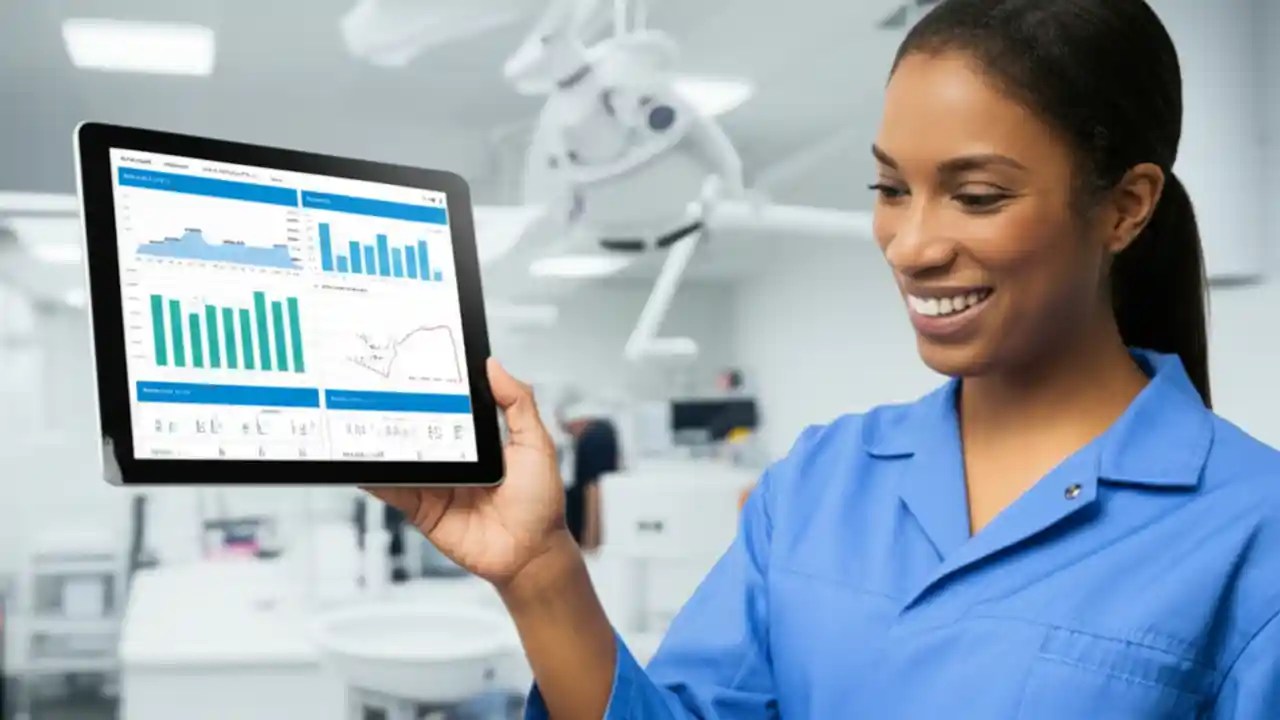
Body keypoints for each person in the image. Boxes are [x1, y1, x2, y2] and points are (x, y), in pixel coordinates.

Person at [367, 0, 1280, 716]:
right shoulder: (819, 483)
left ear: (1126, 207)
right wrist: (539, 571)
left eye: (976, 195)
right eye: (890, 188)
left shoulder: (1252, 533)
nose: (909, 244)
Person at [558, 400, 619, 551]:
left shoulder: (595, 437)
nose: (570, 435)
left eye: (569, 429)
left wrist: (590, 544)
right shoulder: (596, 434)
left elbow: (594, 490)